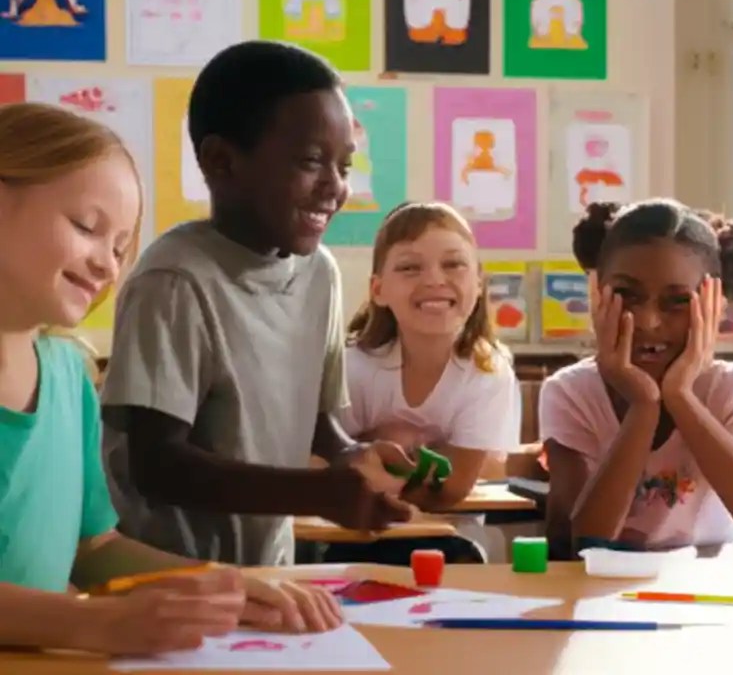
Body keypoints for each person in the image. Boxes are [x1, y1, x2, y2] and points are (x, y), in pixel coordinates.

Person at [0, 102, 341, 656]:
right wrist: (96, 625)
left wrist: (219, 584)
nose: (108, 266)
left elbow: (94, 547)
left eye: (119, 247)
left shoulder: (68, 377)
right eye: (86, 227)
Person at [100, 40, 413, 568]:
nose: (335, 188)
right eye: (312, 161)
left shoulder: (320, 274)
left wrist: (352, 456)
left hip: (268, 572)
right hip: (167, 578)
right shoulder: (174, 280)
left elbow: (313, 421)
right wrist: (318, 495)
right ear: (221, 161)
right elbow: (158, 465)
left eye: (344, 165)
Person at [540, 200, 733, 559]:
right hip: (604, 595)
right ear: (597, 294)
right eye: (626, 295)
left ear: (713, 306)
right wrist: (643, 406)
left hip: (709, 595)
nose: (648, 321)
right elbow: (582, 541)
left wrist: (681, 396)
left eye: (677, 301)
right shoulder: (570, 391)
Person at [332, 201, 521, 563]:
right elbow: (323, 465)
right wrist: (418, 457)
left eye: (453, 264)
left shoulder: (488, 372)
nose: (434, 279)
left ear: (479, 283)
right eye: (409, 267)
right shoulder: (353, 366)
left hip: (450, 538)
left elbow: (451, 489)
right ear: (378, 290)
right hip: (354, 534)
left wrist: (379, 449)